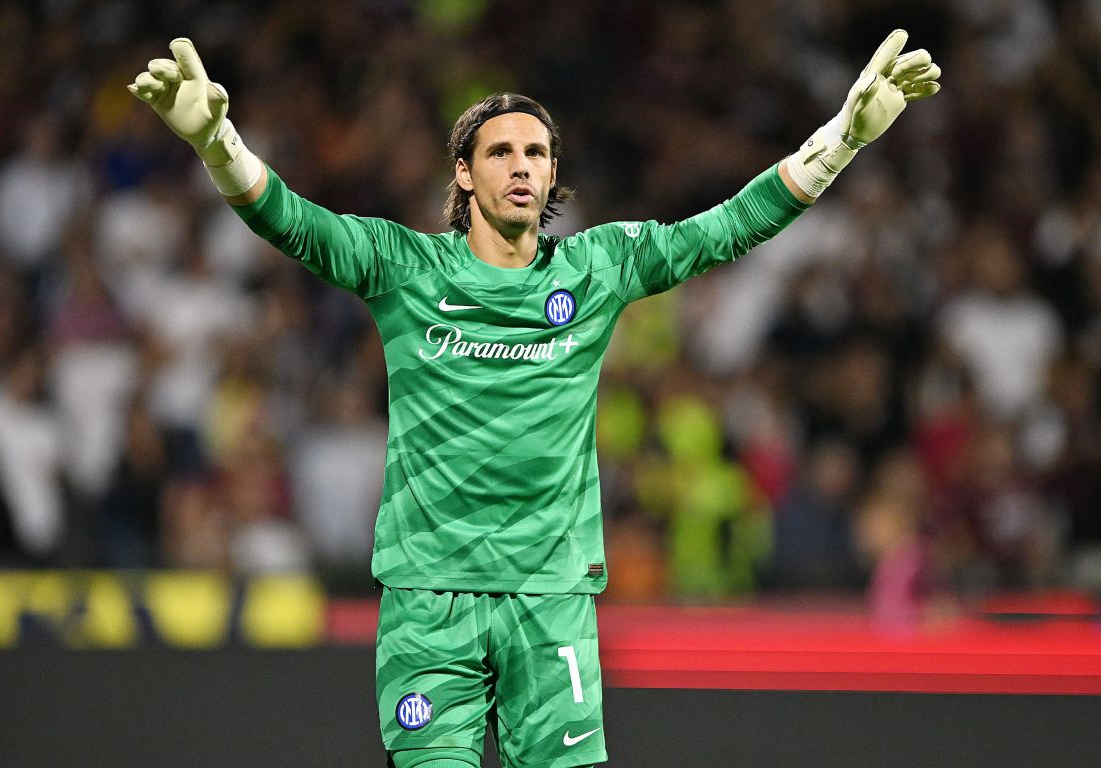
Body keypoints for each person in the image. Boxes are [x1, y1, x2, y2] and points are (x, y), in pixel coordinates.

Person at [129, 30, 939, 768]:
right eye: (501, 152)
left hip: (550, 601)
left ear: (553, 174)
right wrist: (215, 142)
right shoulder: (405, 267)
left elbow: (727, 227)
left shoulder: (598, 268)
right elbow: (294, 223)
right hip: (430, 599)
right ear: (463, 172)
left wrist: (841, 141)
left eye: (538, 153)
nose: (522, 167)